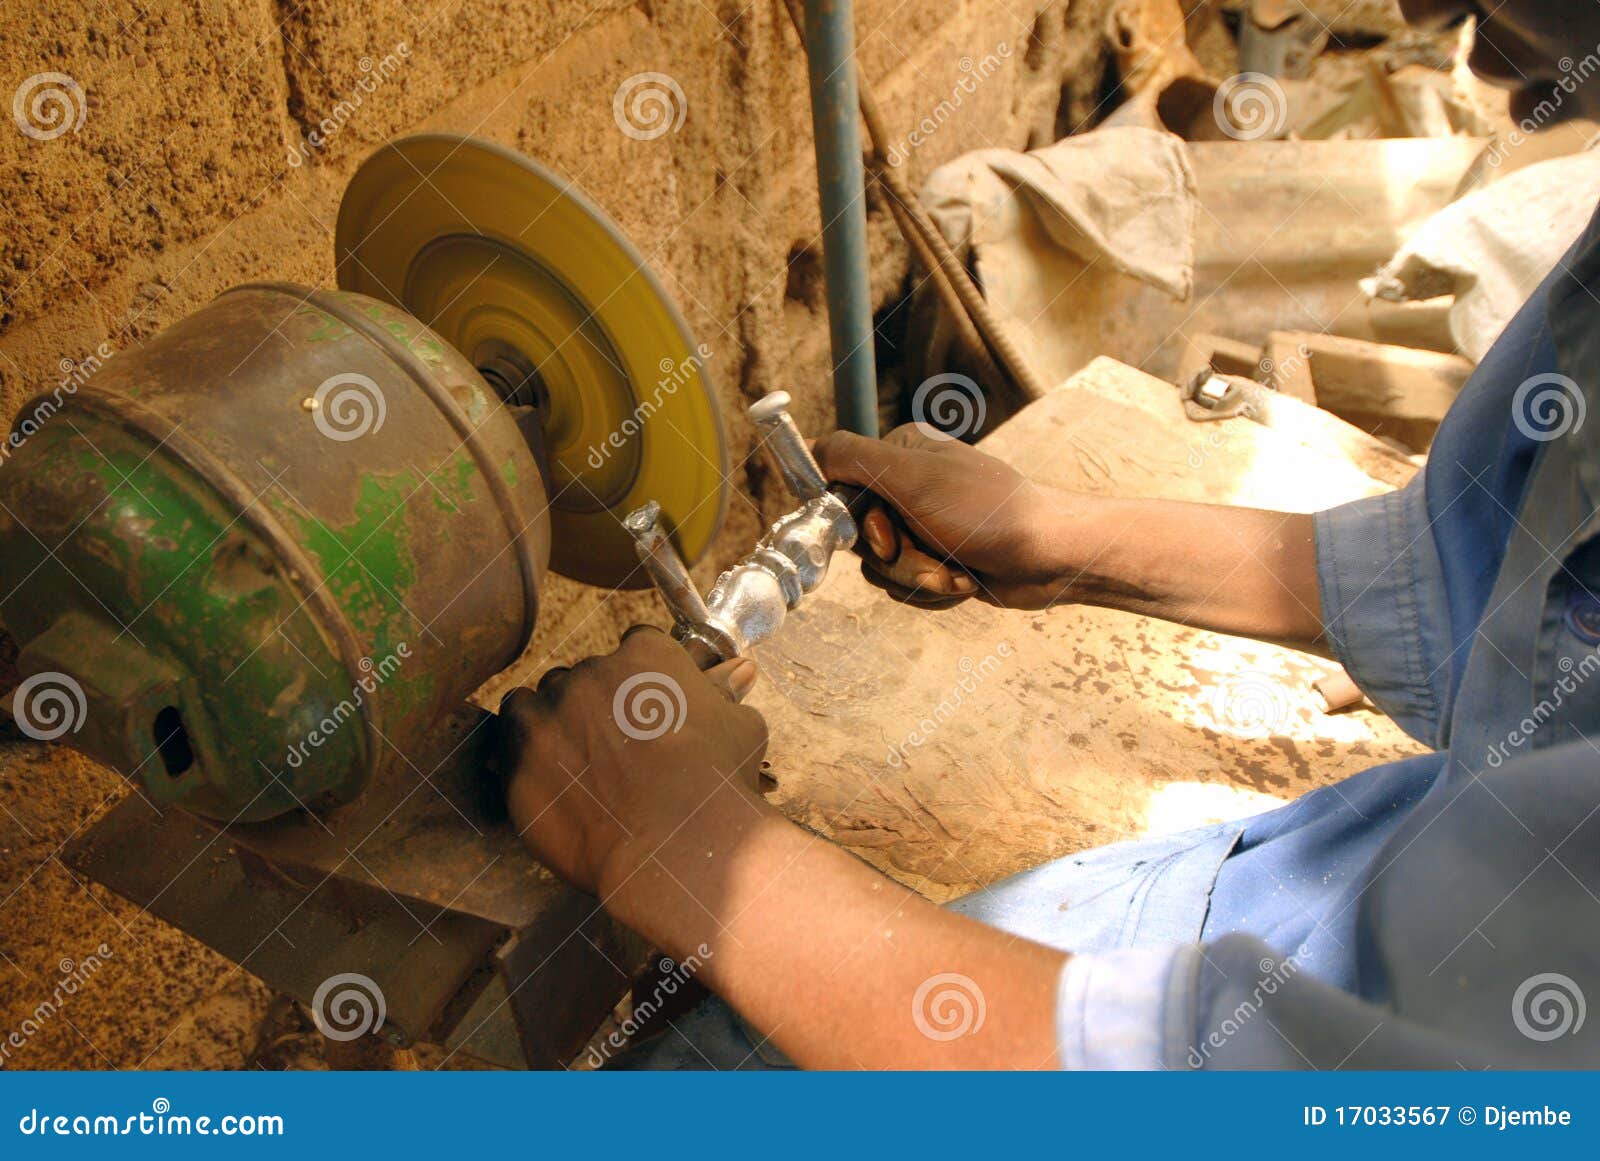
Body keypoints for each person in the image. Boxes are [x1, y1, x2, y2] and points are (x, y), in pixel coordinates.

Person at [496, 1, 1600, 1069]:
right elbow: (1472, 577)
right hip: (1334, 891)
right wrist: (1060, 537)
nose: (1421, 5)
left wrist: (669, 838)